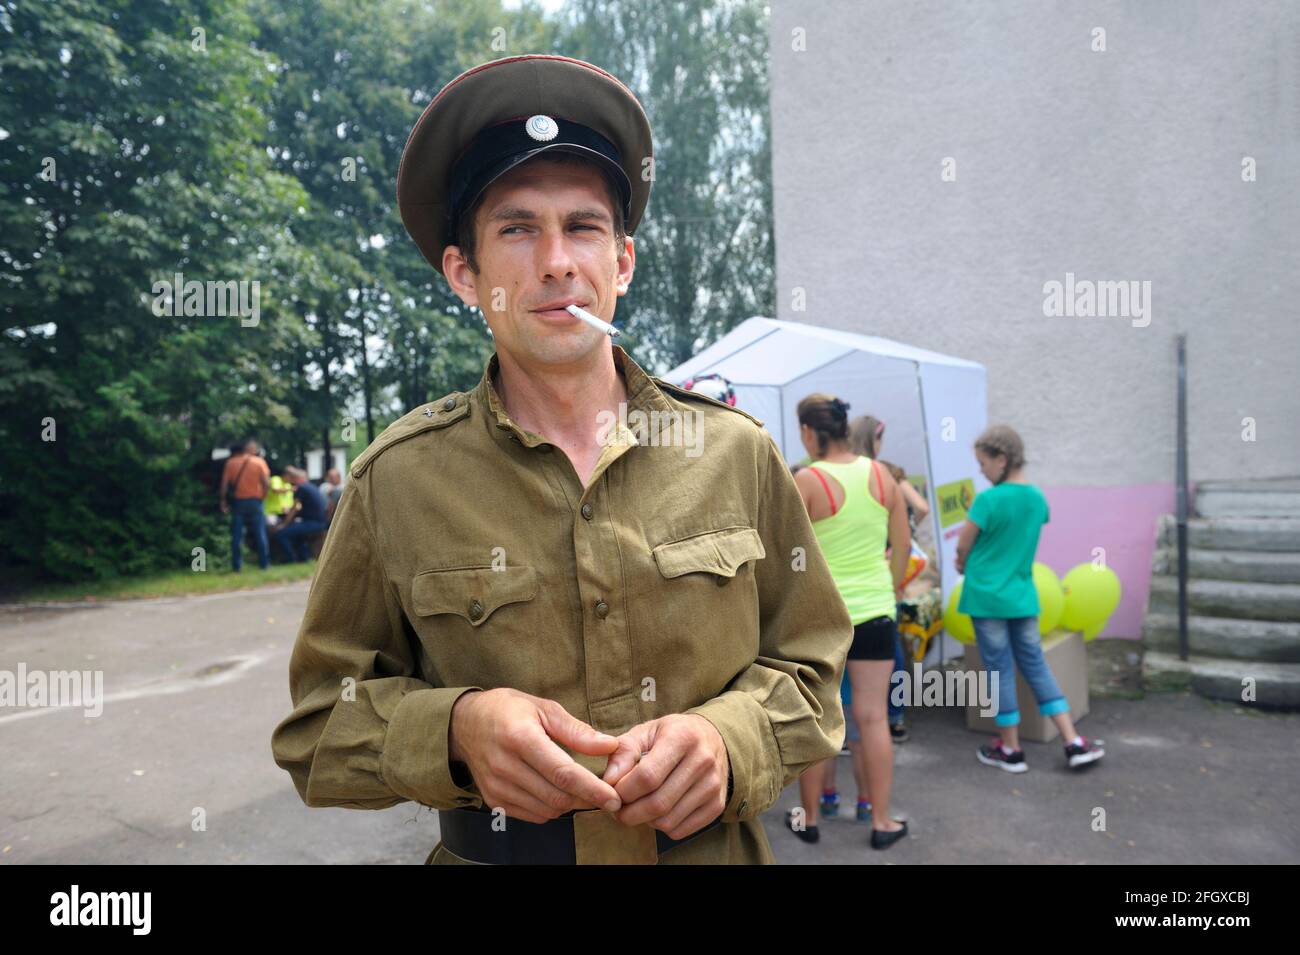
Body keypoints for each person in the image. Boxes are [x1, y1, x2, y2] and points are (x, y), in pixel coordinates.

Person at [270, 54, 852, 865]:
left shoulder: (736, 454)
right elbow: (315, 730)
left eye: (583, 226)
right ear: (464, 275)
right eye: (516, 228)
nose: (556, 262)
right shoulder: (394, 482)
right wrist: (457, 728)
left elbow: (814, 671)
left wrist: (731, 738)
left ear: (622, 262)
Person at [785, 393, 911, 850]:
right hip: (876, 614)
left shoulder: (807, 480)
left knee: (820, 718)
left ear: (807, 432)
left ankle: (811, 818)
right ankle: (881, 821)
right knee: (873, 719)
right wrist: (889, 592)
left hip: (825, 620)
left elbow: (789, 554)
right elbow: (901, 546)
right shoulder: (884, 477)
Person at [955, 425, 1105, 773]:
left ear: (1002, 459)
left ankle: (1011, 750)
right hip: (1022, 597)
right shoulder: (1037, 499)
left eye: (983, 463)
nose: (981, 470)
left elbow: (964, 543)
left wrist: (962, 563)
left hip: (987, 598)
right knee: (1035, 665)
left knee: (1000, 671)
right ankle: (1073, 741)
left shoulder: (988, 500)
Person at [219, 439, 270, 572]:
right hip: (255, 501)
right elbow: (266, 483)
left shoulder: (231, 463)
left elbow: (224, 485)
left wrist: (223, 501)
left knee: (237, 535)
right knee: (260, 533)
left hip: (239, 502)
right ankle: (264, 564)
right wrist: (263, 496)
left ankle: (237, 566)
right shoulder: (259, 462)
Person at [273, 466, 329, 563]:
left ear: (295, 478)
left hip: (313, 523)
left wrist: (283, 525)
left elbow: (294, 509)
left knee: (280, 533)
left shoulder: (301, 488)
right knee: (297, 534)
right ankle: (303, 558)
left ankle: (290, 559)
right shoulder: (311, 486)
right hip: (320, 522)